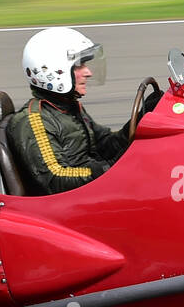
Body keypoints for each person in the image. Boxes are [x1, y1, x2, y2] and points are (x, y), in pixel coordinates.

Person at [9, 27, 131, 194]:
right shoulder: (34, 120)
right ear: (53, 71)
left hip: (91, 191)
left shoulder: (70, 107)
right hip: (67, 206)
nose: (88, 72)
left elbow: (104, 145)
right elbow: (55, 178)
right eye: (79, 66)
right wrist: (107, 169)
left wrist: (138, 122)